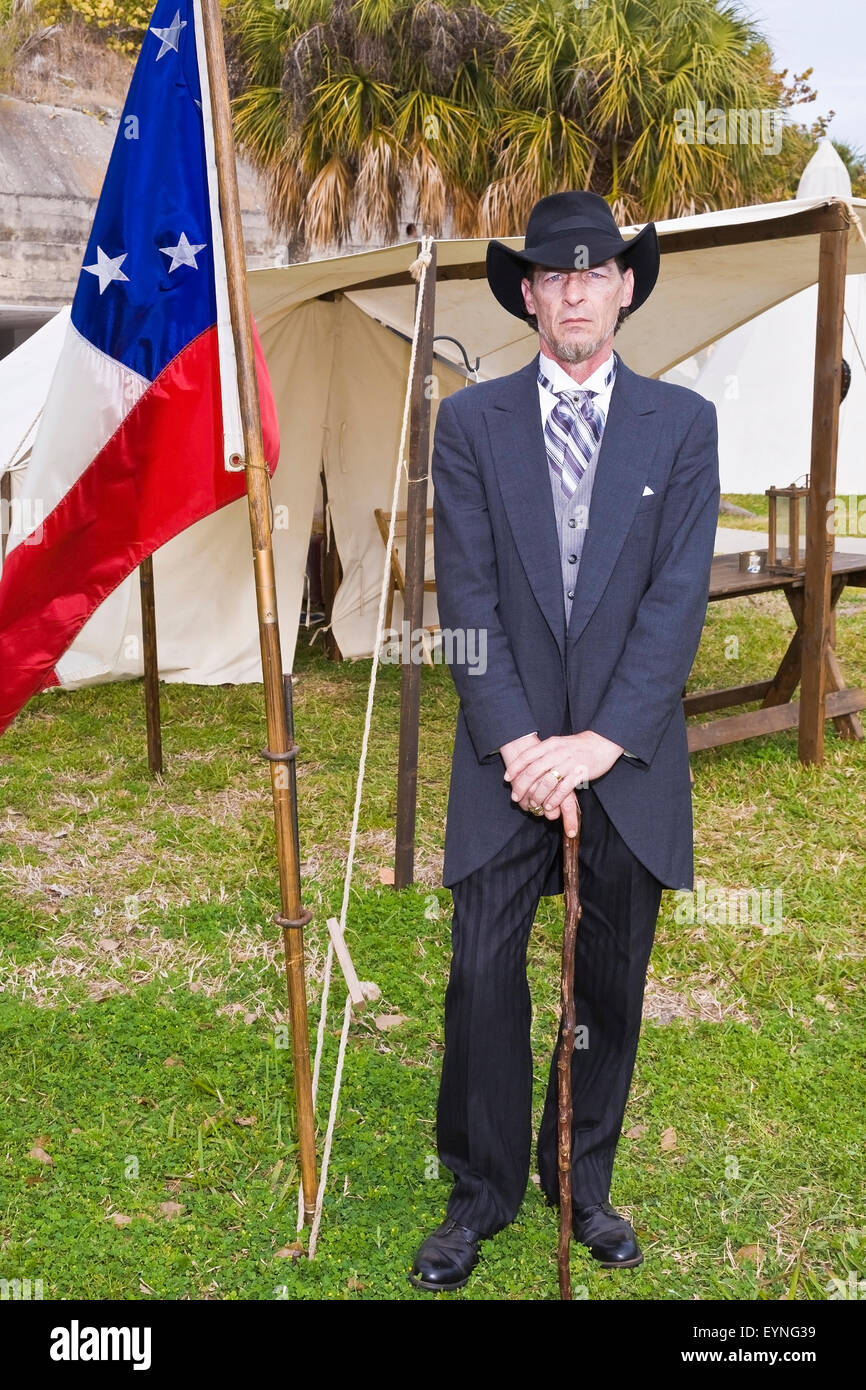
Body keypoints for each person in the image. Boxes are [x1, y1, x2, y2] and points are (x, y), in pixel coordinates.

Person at [409, 192, 720, 1293]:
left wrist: (597, 745)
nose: (576, 289)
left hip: (621, 764)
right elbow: (468, 597)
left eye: (595, 272)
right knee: (481, 978)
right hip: (508, 760)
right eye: (554, 274)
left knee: (606, 987)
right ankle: (479, 1192)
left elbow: (675, 602)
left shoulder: (682, 427)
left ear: (624, 287)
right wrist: (520, 747)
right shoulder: (471, 424)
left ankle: (578, 1183)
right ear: (530, 295)